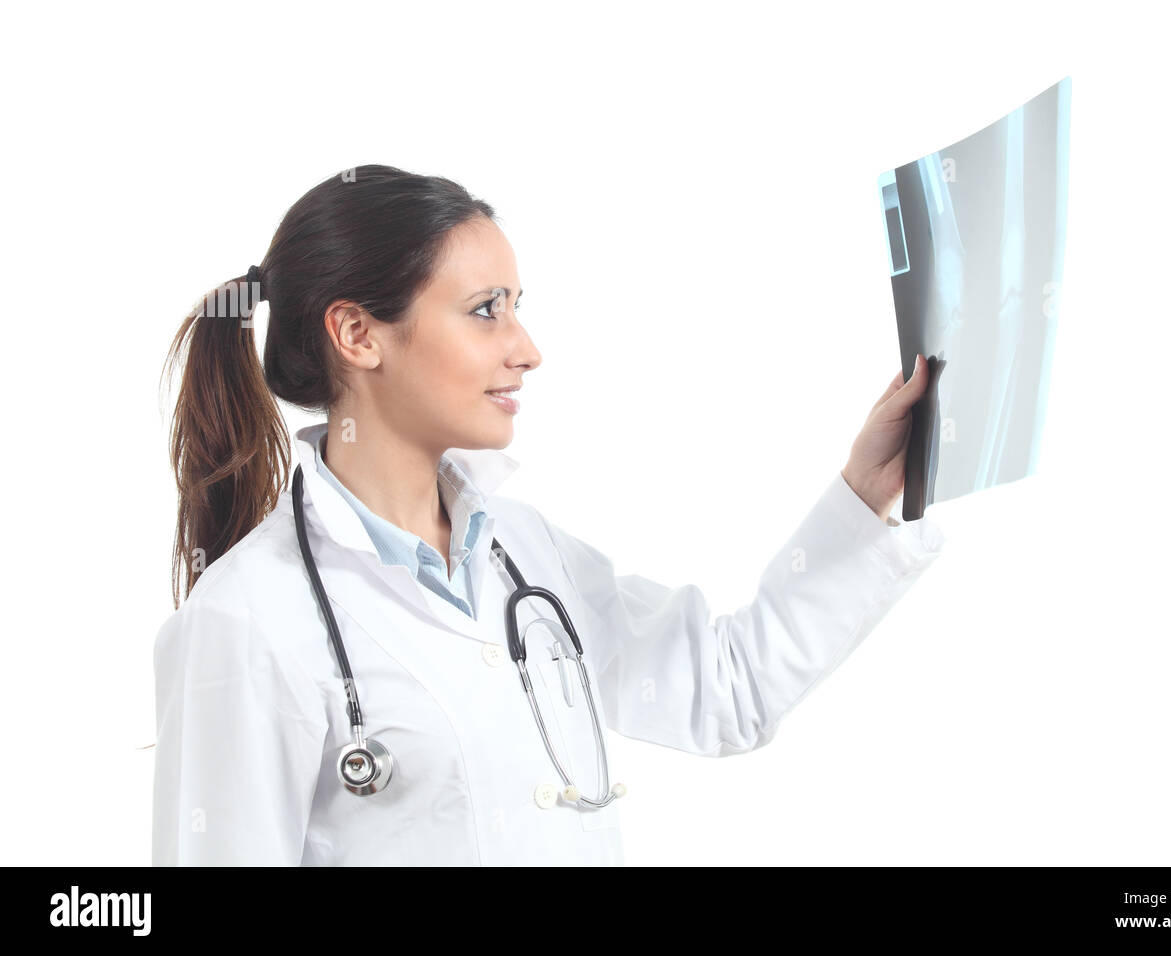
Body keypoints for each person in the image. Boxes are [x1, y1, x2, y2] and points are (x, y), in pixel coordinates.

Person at [153, 164, 946, 866]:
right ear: (358, 333)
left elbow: (725, 689)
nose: (527, 349)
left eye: (517, 307)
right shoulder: (247, 618)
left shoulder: (520, 551)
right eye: (485, 310)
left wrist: (863, 494)